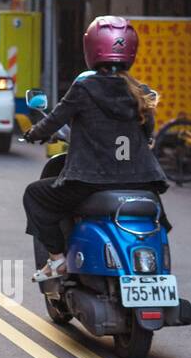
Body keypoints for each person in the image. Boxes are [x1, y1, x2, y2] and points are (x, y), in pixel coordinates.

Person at [22, 15, 170, 282]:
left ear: (91, 48)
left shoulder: (84, 88)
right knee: (158, 219)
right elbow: (148, 131)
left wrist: (33, 134)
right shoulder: (140, 91)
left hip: (91, 181)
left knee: (35, 195)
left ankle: (57, 260)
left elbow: (53, 121)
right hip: (141, 182)